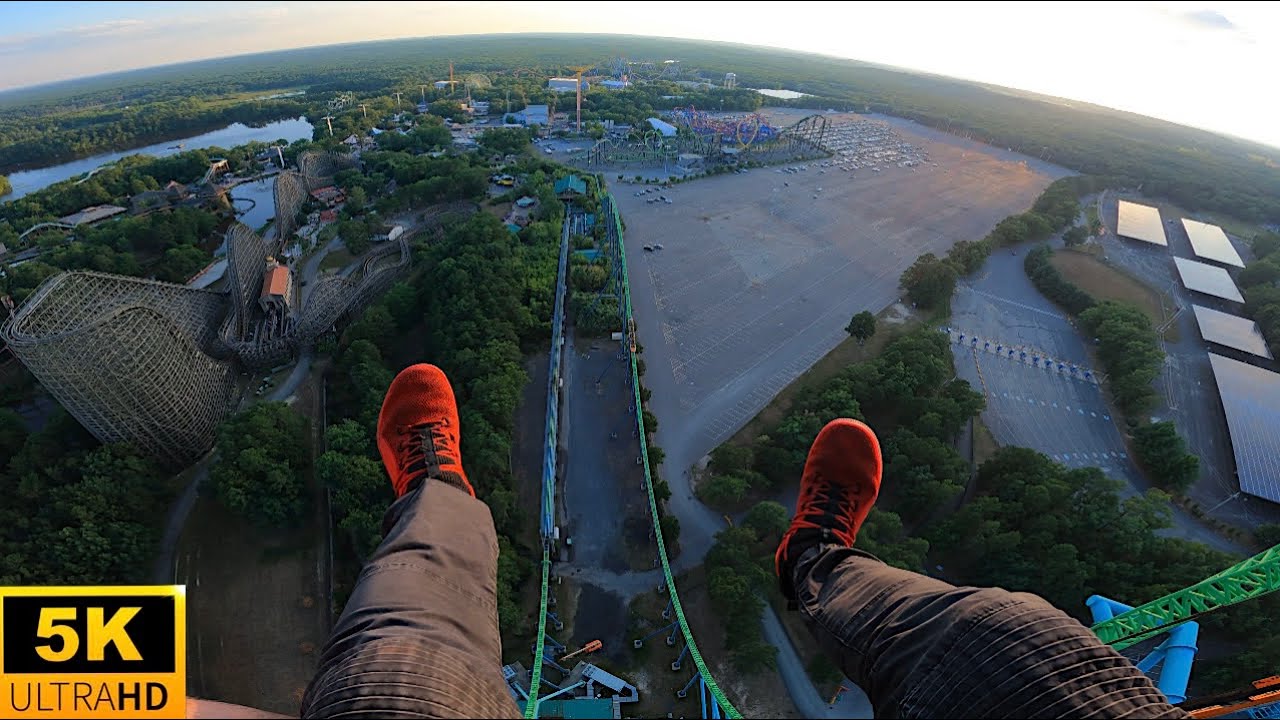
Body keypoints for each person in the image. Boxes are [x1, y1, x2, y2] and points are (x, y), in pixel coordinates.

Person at [299, 364, 1186, 719]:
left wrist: (158, 695)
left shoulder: (148, 678)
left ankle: (436, 497)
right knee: (1015, 649)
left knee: (399, 684)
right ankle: (814, 563)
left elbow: (155, 696)